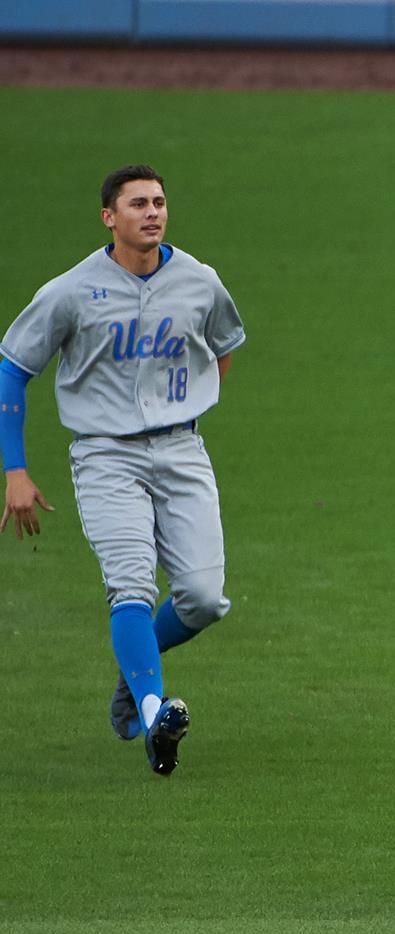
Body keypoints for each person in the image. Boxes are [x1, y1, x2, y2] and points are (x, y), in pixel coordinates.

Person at [2, 163, 247, 777]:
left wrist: (191, 405)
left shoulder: (199, 280)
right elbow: (12, 368)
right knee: (132, 584)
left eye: (160, 201)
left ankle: (137, 667)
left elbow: (223, 345)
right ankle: (154, 709)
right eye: (138, 203)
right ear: (110, 217)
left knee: (203, 598)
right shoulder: (71, 290)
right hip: (105, 454)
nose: (153, 212)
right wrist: (15, 471)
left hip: (181, 449)